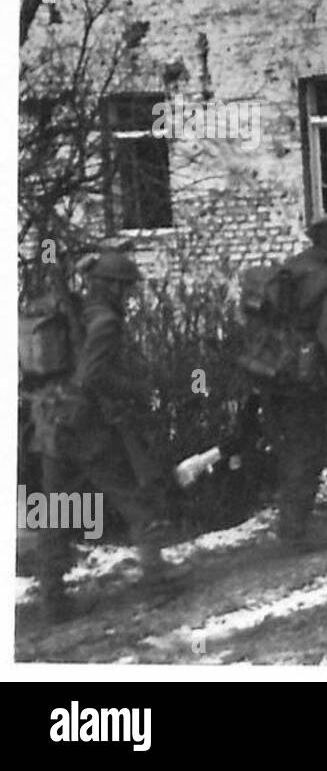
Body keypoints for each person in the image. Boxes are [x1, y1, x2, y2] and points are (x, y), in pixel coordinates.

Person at [32, 250, 185, 620]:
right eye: (125, 288)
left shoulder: (75, 313)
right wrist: (139, 388)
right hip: (87, 429)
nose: (128, 296)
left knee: (54, 512)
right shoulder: (104, 322)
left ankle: (52, 600)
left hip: (53, 424)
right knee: (137, 498)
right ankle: (157, 582)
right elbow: (95, 376)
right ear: (112, 287)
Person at [261, 214, 327, 551]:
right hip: (308, 379)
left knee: (292, 450)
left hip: (275, 371)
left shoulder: (289, 269)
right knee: (308, 452)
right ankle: (293, 533)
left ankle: (289, 523)